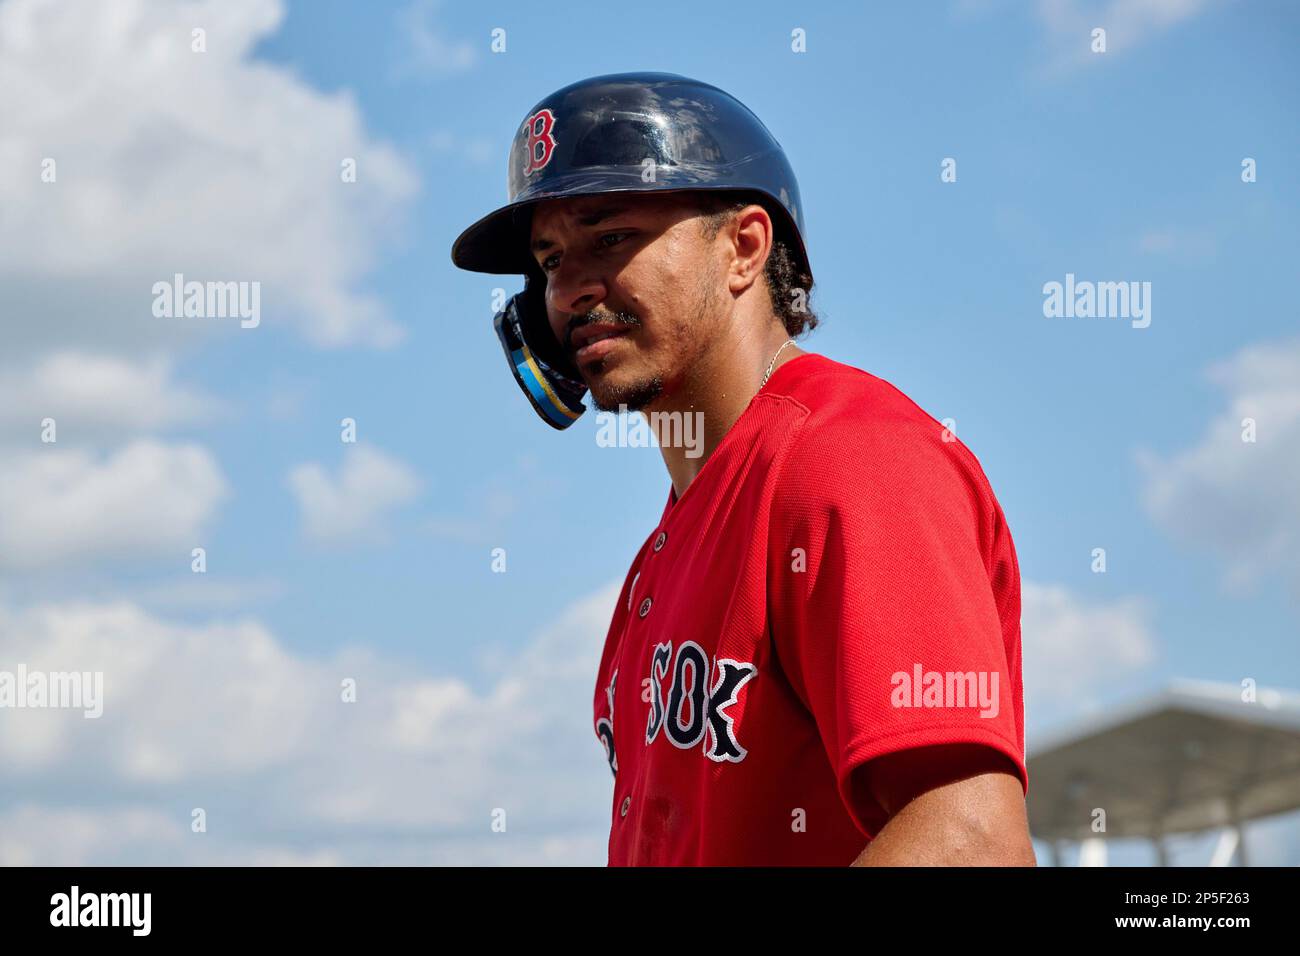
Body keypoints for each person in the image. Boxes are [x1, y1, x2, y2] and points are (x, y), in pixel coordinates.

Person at [451, 72, 1035, 866]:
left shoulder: (851, 458)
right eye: (551, 259)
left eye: (610, 237)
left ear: (744, 246)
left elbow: (969, 842)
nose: (571, 289)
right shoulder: (665, 547)